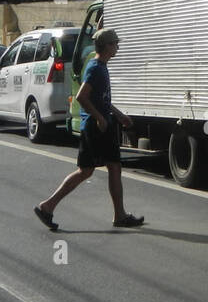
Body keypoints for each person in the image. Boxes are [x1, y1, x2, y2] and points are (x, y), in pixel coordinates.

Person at [33, 28, 143, 230]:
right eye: (115, 44)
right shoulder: (95, 67)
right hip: (95, 127)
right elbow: (82, 97)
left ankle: (120, 215)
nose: (117, 47)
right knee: (86, 171)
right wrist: (100, 118)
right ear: (107, 46)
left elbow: (100, 99)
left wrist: (118, 115)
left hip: (102, 124)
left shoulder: (100, 65)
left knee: (113, 167)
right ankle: (47, 206)